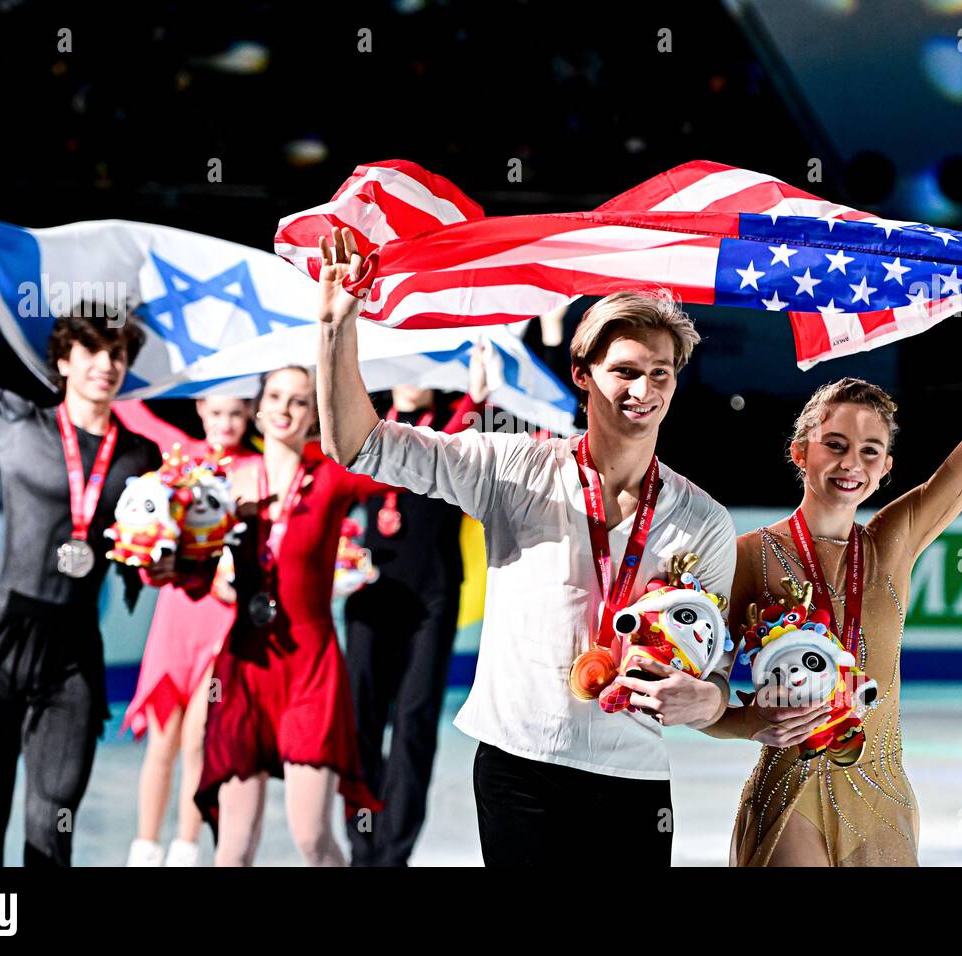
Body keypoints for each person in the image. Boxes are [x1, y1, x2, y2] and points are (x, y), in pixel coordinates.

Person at [314, 227, 785, 866]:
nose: (643, 391)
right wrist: (338, 329)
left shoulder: (701, 520)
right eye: (623, 371)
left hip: (633, 776)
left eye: (660, 374)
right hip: (519, 769)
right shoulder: (512, 470)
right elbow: (357, 444)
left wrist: (706, 699)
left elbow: (713, 673)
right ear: (582, 374)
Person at [705, 259, 962, 866]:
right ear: (800, 451)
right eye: (835, 445)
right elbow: (701, 696)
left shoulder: (891, 541)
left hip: (882, 798)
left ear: (885, 469)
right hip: (788, 792)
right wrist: (751, 721)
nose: (851, 462)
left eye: (869, 451)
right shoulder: (747, 557)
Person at [0, 209, 163, 866]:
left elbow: (143, 560)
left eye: (118, 353)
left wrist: (156, 566)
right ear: (63, 359)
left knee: (54, 829)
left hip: (74, 654)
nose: (106, 365)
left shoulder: (140, 457)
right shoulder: (12, 416)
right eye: (92, 351)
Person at [194, 366, 388, 866]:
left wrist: (474, 403)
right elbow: (190, 579)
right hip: (244, 668)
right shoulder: (224, 483)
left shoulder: (331, 475)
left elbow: (404, 467)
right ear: (258, 406)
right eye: (275, 396)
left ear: (315, 413)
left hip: (310, 668)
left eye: (300, 401)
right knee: (233, 844)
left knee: (311, 838)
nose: (284, 408)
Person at [344, 365, 490, 867]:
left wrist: (482, 389)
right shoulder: (365, 421)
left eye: (424, 360)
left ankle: (393, 855)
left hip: (433, 596)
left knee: (413, 723)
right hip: (369, 592)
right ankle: (362, 845)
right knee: (362, 718)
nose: (412, 372)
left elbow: (482, 424)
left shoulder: (460, 420)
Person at [112, 397, 259, 867]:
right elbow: (134, 413)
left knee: (199, 740)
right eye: (216, 413)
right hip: (176, 618)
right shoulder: (183, 454)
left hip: (223, 618)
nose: (225, 423)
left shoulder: (258, 465)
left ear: (250, 413)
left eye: (236, 413)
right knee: (162, 741)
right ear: (200, 409)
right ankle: (144, 849)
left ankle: (187, 851)